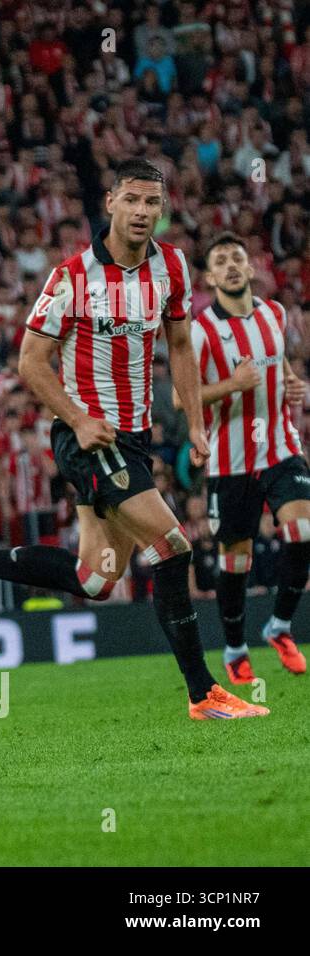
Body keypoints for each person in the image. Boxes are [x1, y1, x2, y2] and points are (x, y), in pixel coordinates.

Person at [0, 159, 267, 720]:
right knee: (173, 545)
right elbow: (30, 363)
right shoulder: (72, 277)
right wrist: (77, 419)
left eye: (153, 202)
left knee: (96, 578)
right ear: (110, 202)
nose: (143, 212)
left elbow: (180, 346)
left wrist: (197, 424)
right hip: (87, 439)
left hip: (134, 440)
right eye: (132, 200)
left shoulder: (173, 267)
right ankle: (204, 693)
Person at [180, 232, 309, 683]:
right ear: (211, 277)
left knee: (303, 529)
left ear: (250, 269)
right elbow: (183, 399)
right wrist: (231, 386)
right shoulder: (200, 331)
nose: (232, 265)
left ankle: (280, 625)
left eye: (238, 257)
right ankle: (235, 648)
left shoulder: (273, 313)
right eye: (221, 261)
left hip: (280, 446)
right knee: (236, 559)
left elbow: (279, 363)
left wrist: (292, 383)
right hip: (230, 460)